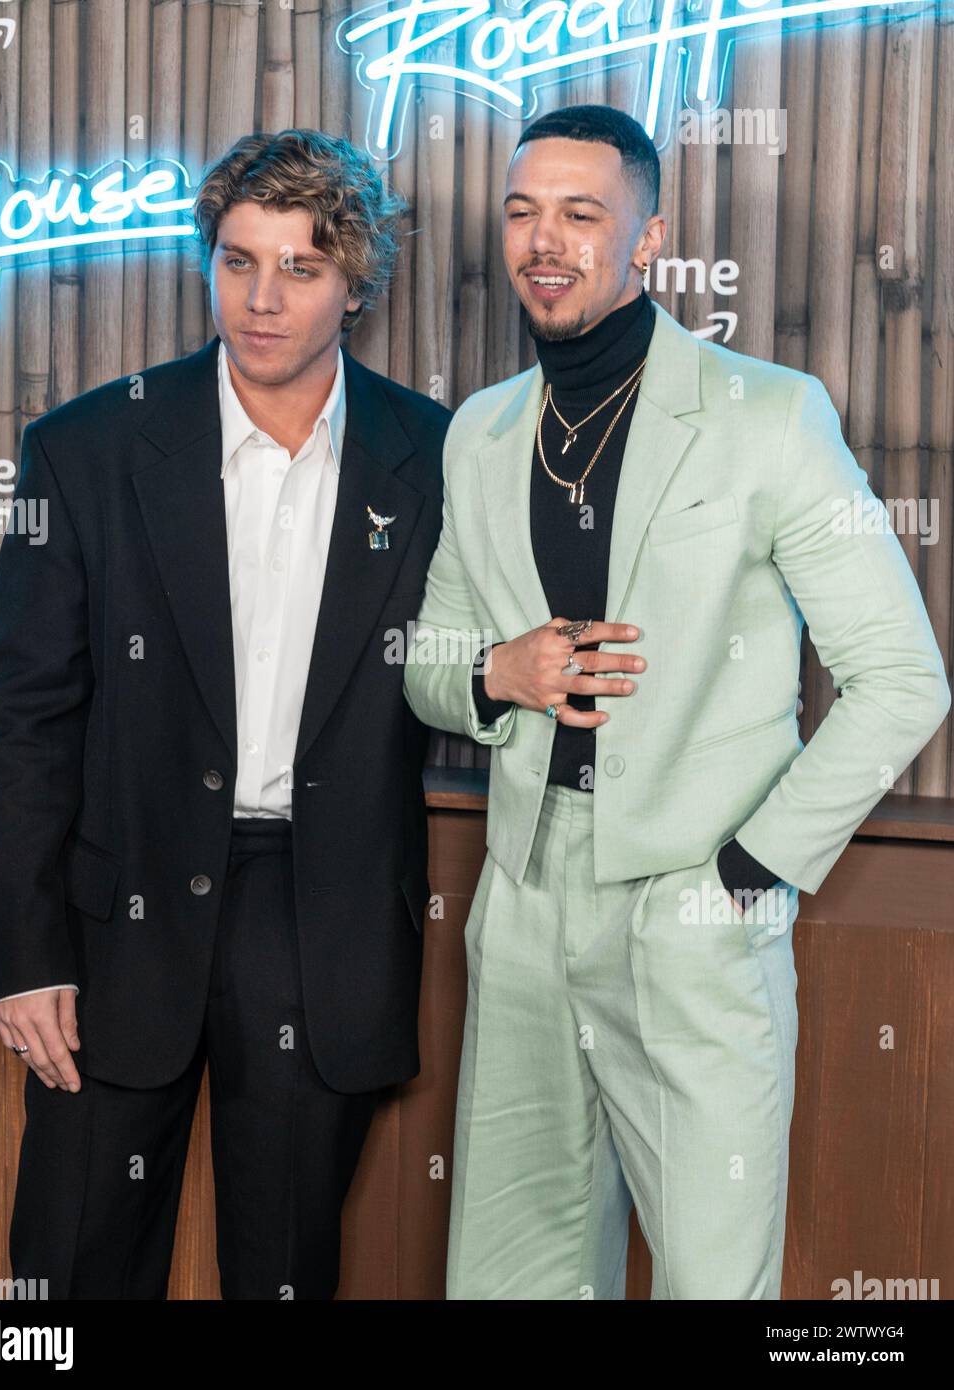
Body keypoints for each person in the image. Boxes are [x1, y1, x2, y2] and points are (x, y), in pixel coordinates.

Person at [403, 104, 951, 1299]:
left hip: (697, 906)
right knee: (511, 1283)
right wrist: (505, 671)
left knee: (714, 1283)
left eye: (582, 214)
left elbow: (905, 676)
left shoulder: (770, 413)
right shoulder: (481, 433)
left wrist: (750, 871)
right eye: (523, 212)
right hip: (527, 900)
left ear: (648, 238)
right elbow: (429, 657)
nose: (546, 241)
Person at [0, 128, 450, 1299]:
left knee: (284, 1271)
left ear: (357, 284)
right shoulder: (84, 447)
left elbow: (464, 671)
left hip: (318, 913)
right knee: (63, 1277)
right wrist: (26, 957)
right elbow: (20, 719)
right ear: (208, 264)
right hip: (116, 913)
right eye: (238, 261)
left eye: (300, 267)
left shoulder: (436, 456)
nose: (262, 298)